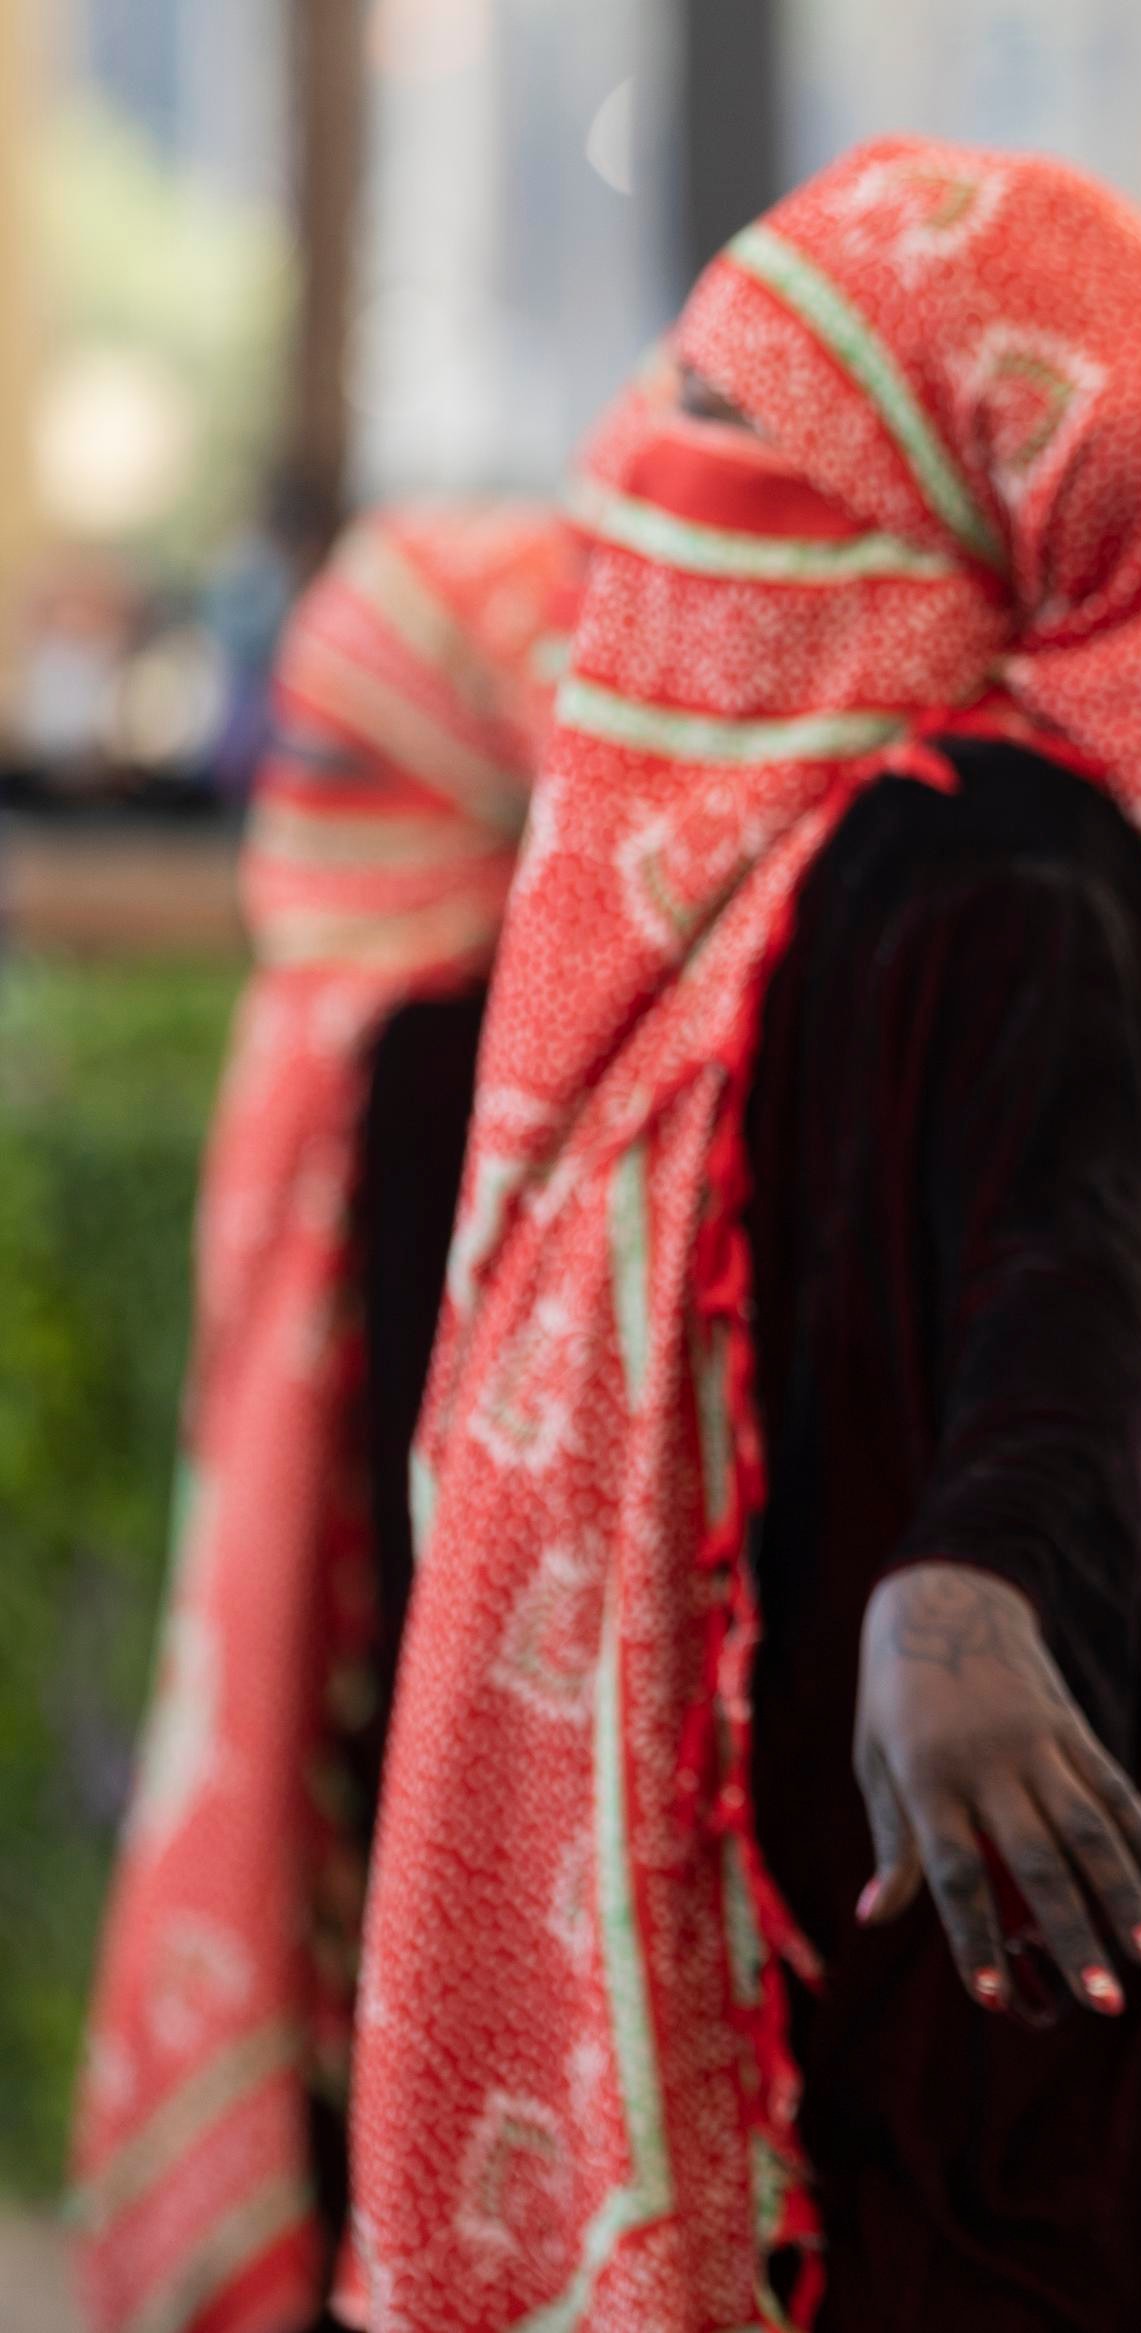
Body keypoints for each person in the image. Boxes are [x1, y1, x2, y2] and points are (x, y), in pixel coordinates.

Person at [342, 144, 1141, 2328]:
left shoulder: (995, 856)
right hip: (883, 1998)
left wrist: (982, 1579)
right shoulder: (759, 901)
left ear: (954, 500)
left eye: (736, 429)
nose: (643, 465)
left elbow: (1074, 1279)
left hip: (994, 2046)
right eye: (678, 397)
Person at [67, 503, 578, 2333]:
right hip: (420, 1723)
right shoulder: (449, 1034)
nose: (316, 791)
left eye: (348, 747)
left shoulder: (333, 1012)